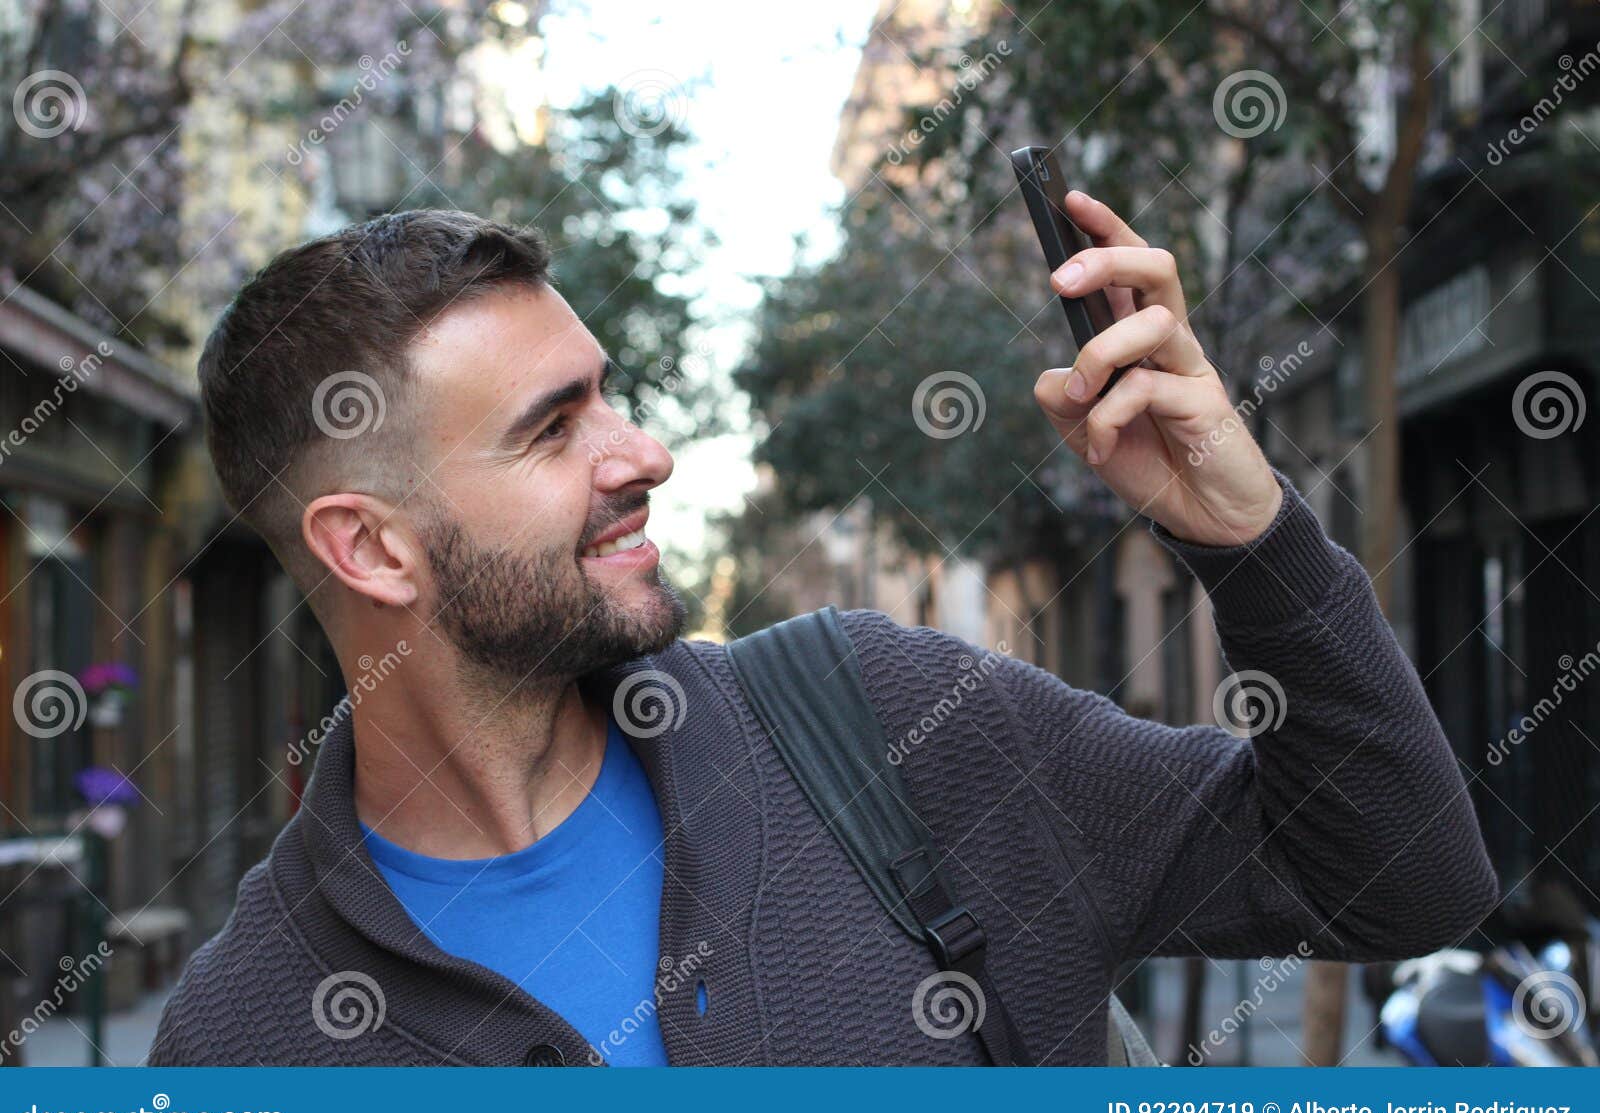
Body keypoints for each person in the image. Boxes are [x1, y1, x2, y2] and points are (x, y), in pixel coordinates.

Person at [147, 194, 1497, 1066]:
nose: (648, 453)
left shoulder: (885, 722)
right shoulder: (243, 1040)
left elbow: (1400, 880)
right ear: (370, 548)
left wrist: (1248, 537)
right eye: (555, 429)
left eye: (610, 395)